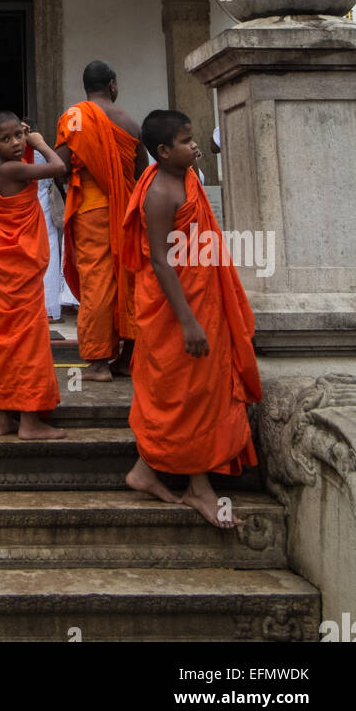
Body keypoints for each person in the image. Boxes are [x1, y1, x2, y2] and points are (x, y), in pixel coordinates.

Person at [122, 110, 262, 528]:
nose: (196, 145)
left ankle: (147, 471)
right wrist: (187, 322)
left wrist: (193, 159)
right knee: (185, 391)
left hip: (200, 296)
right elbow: (161, 262)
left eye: (194, 137)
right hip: (177, 306)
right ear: (163, 152)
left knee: (194, 387)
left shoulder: (182, 175)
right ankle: (197, 487)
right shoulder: (160, 192)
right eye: (186, 141)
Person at [54, 61, 147, 381]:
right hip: (126, 211)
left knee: (97, 284)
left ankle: (97, 363)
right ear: (112, 84)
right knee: (129, 281)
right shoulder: (131, 123)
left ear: (86, 88)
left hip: (90, 209)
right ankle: (126, 359)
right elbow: (141, 173)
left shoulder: (75, 117)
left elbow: (61, 166)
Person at [0, 112, 67, 440]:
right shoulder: (12, 168)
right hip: (18, 270)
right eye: (7, 139)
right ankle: (29, 421)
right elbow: (59, 168)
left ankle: (2, 418)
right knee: (27, 342)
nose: (16, 143)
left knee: (2, 339)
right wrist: (39, 142)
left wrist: (23, 140)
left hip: (4, 269)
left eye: (19, 135)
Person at [32, 144, 77, 321]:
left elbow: (60, 168)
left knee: (46, 255)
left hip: (40, 206)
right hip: (40, 207)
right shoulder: (43, 153)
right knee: (48, 255)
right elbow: (59, 170)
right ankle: (49, 306)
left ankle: (45, 307)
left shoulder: (33, 154)